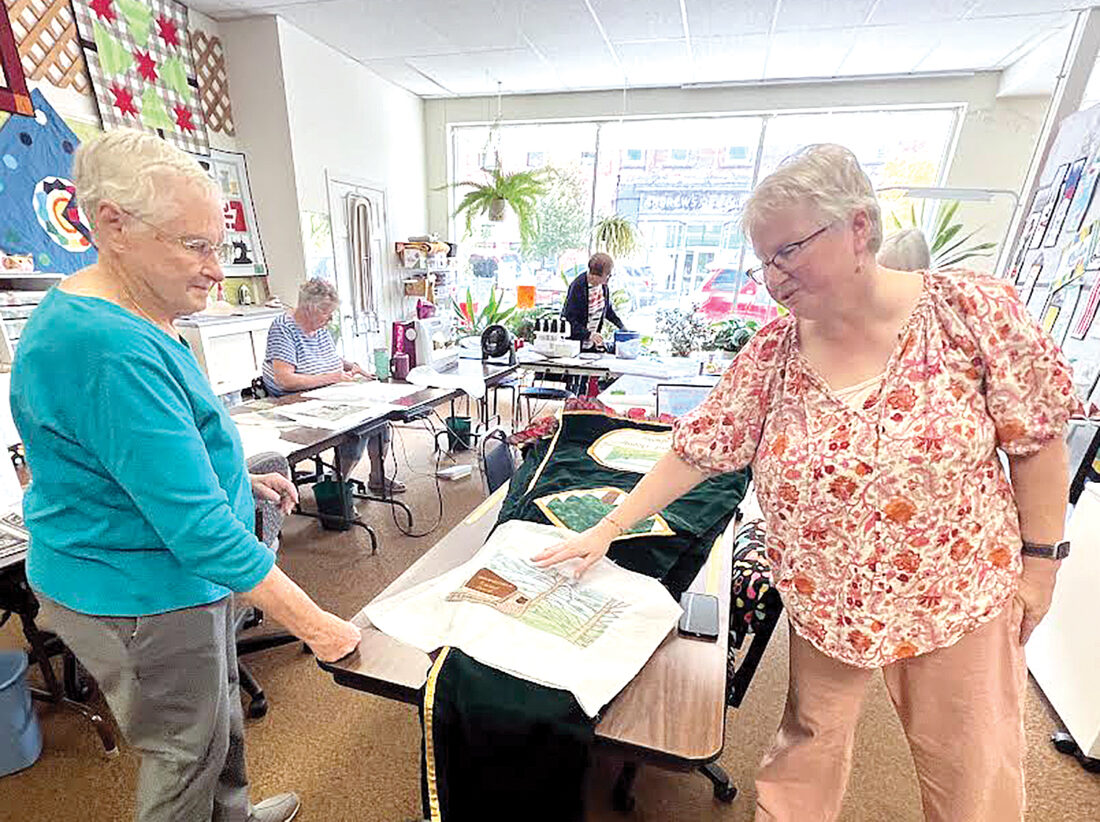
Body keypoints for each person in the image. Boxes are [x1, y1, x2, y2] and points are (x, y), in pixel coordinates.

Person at [534, 144, 1081, 822]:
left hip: (956, 592)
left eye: (787, 251)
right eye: (763, 260)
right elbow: (700, 448)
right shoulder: (774, 350)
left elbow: (1036, 443)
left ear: (857, 228)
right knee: (808, 751)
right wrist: (609, 525)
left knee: (972, 773)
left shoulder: (971, 313)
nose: (772, 276)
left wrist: (1041, 569)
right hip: (827, 601)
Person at [11, 129, 361, 822]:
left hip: (162, 576)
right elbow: (199, 531)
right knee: (184, 753)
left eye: (218, 246)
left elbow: (141, 462)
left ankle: (230, 817)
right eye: (194, 246)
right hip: (139, 593)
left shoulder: (134, 316)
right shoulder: (106, 346)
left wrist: (239, 483)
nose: (214, 269)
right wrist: (317, 625)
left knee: (217, 717)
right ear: (112, 225)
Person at [262, 278, 405, 494]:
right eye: (326, 313)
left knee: (379, 416)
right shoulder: (283, 329)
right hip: (294, 399)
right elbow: (285, 380)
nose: (330, 319)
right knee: (356, 426)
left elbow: (329, 358)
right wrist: (334, 377)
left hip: (326, 391)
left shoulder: (317, 326)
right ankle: (338, 489)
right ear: (309, 309)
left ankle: (377, 476)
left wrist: (353, 367)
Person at [561, 252, 625, 350]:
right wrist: (588, 334)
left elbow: (607, 310)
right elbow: (568, 319)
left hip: (591, 346)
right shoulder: (578, 287)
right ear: (595, 276)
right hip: (575, 346)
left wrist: (621, 326)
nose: (608, 278)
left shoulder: (603, 287)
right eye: (607, 275)